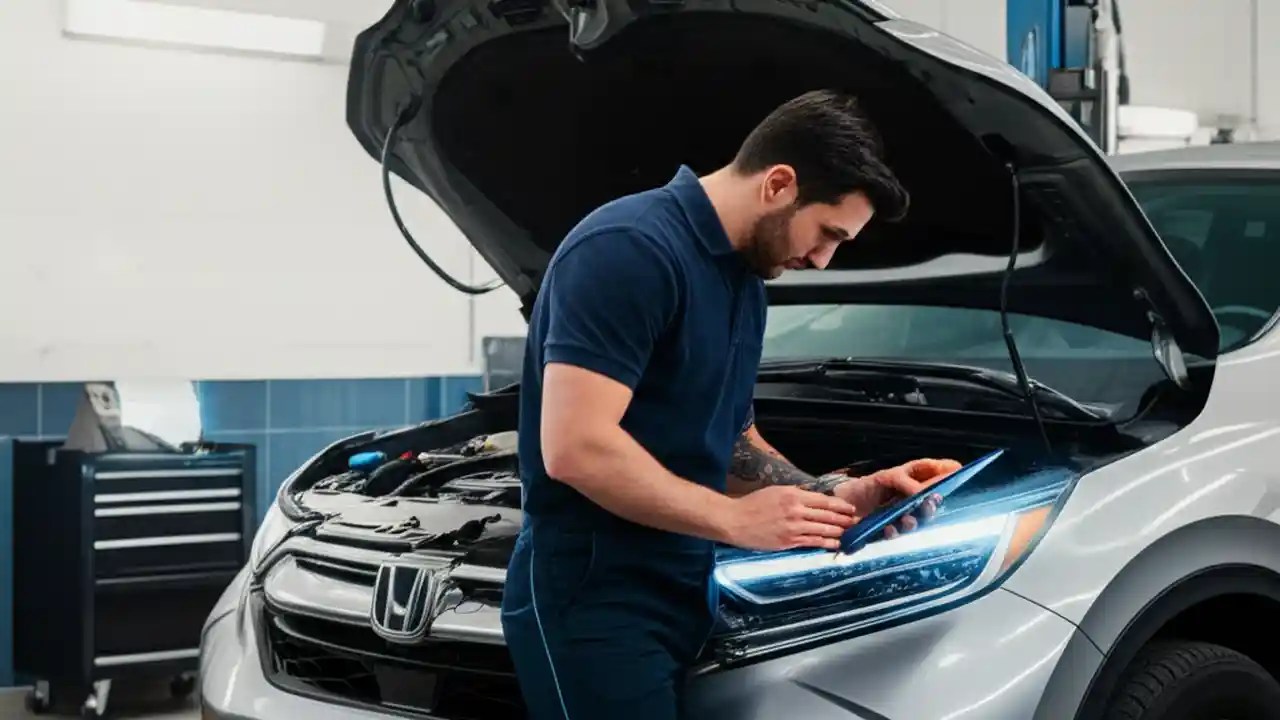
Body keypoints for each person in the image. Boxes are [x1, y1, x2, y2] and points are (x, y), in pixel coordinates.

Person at [500, 89, 962, 720]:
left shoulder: (744, 282)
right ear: (779, 183)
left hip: (689, 581)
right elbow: (576, 448)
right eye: (828, 233)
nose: (825, 260)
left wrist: (835, 497)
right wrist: (735, 521)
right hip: (594, 595)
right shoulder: (628, 249)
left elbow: (731, 441)